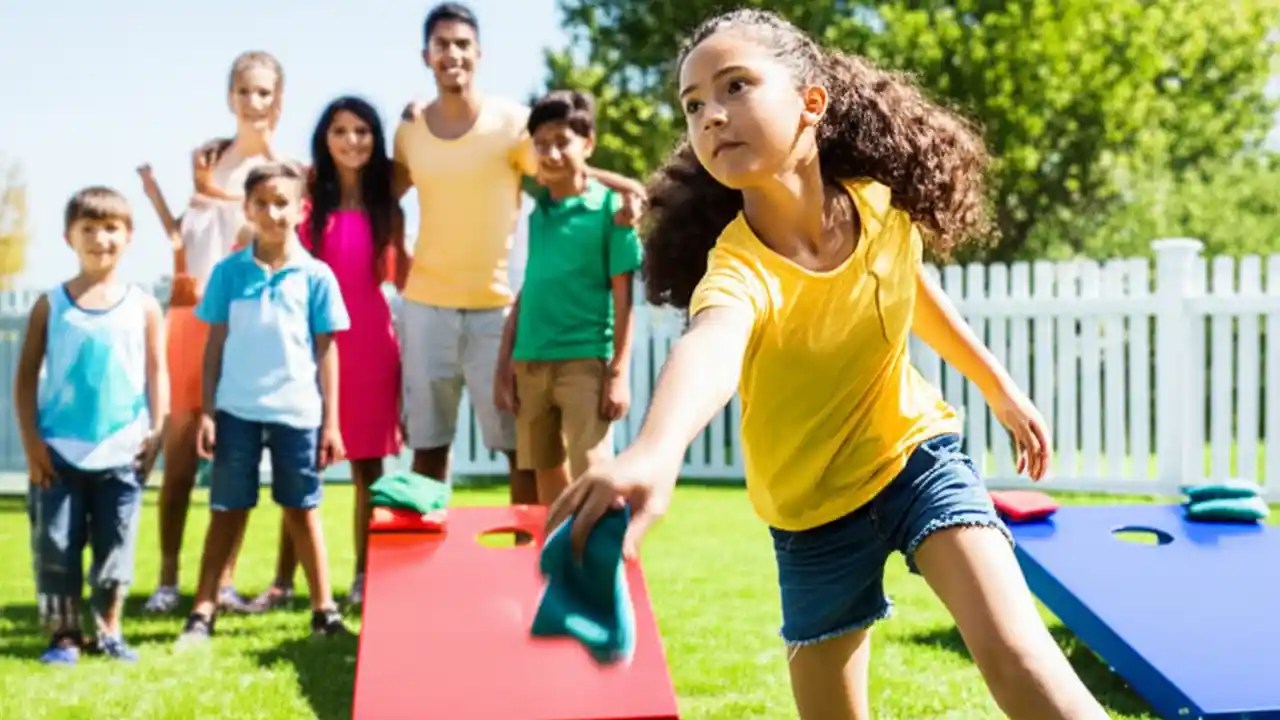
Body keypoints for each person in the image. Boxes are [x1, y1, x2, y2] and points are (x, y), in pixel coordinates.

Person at [545, 10, 1109, 720]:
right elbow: (711, 347)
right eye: (693, 106)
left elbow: (913, 290)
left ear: (812, 102)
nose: (711, 116)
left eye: (736, 86)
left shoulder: (879, 206)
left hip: (915, 459)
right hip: (810, 515)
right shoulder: (737, 269)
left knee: (1022, 655)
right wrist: (655, 451)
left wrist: (997, 386)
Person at [393, 2, 646, 504]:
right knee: (427, 447)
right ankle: (425, 579)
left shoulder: (511, 123)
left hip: (495, 307)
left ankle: (529, 567)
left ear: (479, 53)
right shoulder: (409, 131)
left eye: (462, 44)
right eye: (441, 44)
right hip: (425, 307)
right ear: (426, 55)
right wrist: (397, 254)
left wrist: (627, 186)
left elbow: (564, 164)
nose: (452, 54)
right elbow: (388, 199)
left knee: (520, 454)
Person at [138, 49, 291, 616]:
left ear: (279, 100)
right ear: (230, 96)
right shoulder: (206, 159)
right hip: (189, 323)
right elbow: (191, 239)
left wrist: (219, 186)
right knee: (177, 461)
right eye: (245, 91)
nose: (254, 103)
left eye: (265, 93)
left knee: (237, 461)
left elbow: (273, 225)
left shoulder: (283, 169)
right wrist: (191, 189)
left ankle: (223, 581)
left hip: (246, 330)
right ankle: (168, 579)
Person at [178, 162, 350, 644]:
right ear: (247, 208)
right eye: (262, 203)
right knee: (228, 508)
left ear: (302, 209)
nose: (272, 212)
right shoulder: (229, 273)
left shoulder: (316, 275)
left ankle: (324, 611)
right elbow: (214, 346)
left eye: (282, 203)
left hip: (298, 413)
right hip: (236, 411)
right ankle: (202, 611)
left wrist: (331, 421)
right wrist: (208, 411)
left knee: (302, 508)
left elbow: (327, 350)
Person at [252, 96, 409, 610]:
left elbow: (398, 276)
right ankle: (283, 581)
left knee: (369, 470)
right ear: (325, 139)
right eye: (340, 131)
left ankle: (367, 575)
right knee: (302, 467)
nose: (352, 141)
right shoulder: (304, 211)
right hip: (310, 348)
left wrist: (411, 118)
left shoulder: (390, 208)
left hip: (371, 346)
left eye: (362, 131)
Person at [13, 187, 168, 664]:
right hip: (58, 453)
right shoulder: (50, 305)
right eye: (89, 229)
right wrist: (33, 444)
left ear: (129, 235)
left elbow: (157, 371)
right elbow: (23, 379)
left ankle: (108, 629)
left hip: (123, 452)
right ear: (69, 238)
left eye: (111, 228)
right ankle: (64, 634)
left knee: (114, 547)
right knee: (56, 546)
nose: (100, 238)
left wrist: (157, 432)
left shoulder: (142, 305)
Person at [494, 89, 642, 505]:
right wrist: (503, 364)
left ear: (588, 144)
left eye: (563, 141)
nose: (551, 153)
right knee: (546, 479)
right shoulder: (540, 209)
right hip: (531, 361)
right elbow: (528, 291)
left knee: (594, 475)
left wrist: (618, 371)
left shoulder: (613, 211)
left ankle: (603, 566)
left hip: (584, 362)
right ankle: (557, 567)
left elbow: (623, 296)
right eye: (541, 144)